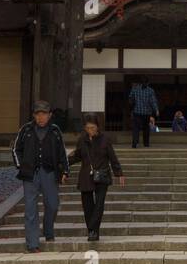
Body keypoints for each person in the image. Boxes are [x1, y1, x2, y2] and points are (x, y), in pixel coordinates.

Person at [11, 100, 69, 252]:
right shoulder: (26, 129)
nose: (41, 117)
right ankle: (32, 243)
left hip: (49, 172)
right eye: (38, 114)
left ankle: (48, 229)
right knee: (30, 208)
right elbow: (16, 149)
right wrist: (21, 165)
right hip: (30, 174)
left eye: (44, 114)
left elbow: (63, 152)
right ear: (34, 115)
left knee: (53, 204)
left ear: (49, 116)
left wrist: (65, 171)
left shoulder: (55, 131)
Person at [68, 114, 125, 242]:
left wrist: (119, 172)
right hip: (86, 176)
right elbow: (77, 156)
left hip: (102, 175)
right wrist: (64, 167)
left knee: (99, 204)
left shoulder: (105, 139)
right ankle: (92, 231)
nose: (90, 130)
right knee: (87, 205)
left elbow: (112, 156)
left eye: (93, 127)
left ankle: (93, 229)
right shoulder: (82, 140)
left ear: (98, 127)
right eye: (88, 128)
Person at [127, 80, 159, 149]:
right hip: (146, 113)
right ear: (148, 83)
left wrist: (132, 105)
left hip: (137, 112)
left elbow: (130, 98)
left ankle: (135, 143)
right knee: (146, 129)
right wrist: (156, 110)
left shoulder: (135, 89)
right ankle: (146, 144)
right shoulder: (150, 90)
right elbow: (153, 101)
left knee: (136, 128)